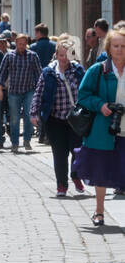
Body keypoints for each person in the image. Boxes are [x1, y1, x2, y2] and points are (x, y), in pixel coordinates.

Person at [74, 27, 125, 227]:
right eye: (116, 46)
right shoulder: (98, 70)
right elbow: (83, 96)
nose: (120, 50)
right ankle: (99, 211)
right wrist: (101, 105)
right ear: (109, 48)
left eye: (123, 46)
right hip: (103, 129)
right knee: (101, 172)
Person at [32, 35, 86, 198]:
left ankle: (76, 176)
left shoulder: (77, 70)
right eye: (61, 55)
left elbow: (86, 90)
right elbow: (38, 93)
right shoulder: (49, 72)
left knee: (77, 151)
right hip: (55, 119)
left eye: (67, 55)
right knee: (59, 153)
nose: (64, 59)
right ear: (56, 55)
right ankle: (61, 185)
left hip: (75, 120)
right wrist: (34, 113)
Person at [0, 33, 43, 152]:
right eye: (19, 44)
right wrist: (0, 89)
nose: (22, 46)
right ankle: (15, 143)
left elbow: (39, 74)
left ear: (26, 44)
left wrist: (40, 90)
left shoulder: (32, 56)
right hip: (14, 91)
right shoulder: (9, 56)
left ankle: (27, 140)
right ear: (15, 43)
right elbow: (2, 73)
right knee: (15, 118)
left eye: (24, 44)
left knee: (28, 115)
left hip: (29, 90)